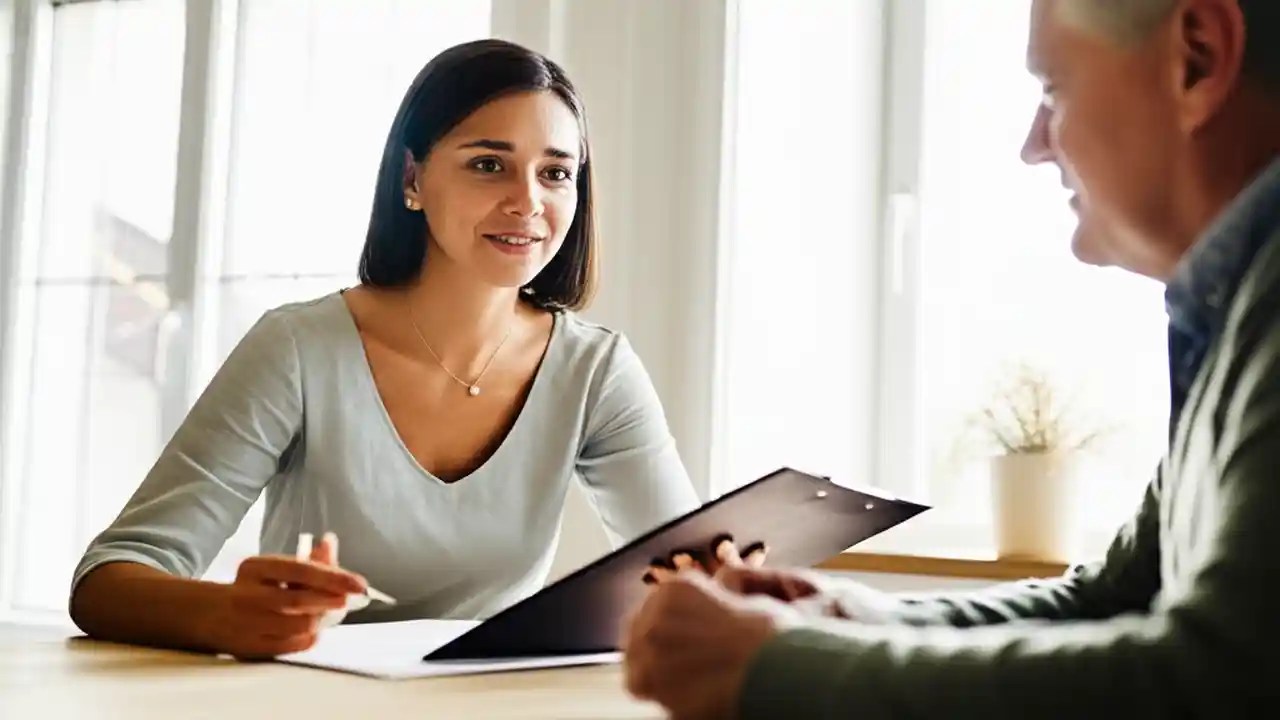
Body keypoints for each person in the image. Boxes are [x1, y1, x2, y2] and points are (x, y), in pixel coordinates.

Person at [622, 0, 1280, 717]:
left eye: (1055, 89)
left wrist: (774, 669)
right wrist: (851, 618)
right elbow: (1114, 597)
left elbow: (1217, 682)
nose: (1034, 144)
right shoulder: (1233, 311)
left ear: (1197, 59)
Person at [69, 38, 700, 660]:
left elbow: (688, 570)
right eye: (488, 164)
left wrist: (717, 580)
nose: (527, 201)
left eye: (556, 173)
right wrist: (228, 614)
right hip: (308, 700)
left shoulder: (595, 371)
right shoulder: (298, 349)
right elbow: (107, 581)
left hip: (497, 701)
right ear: (412, 177)